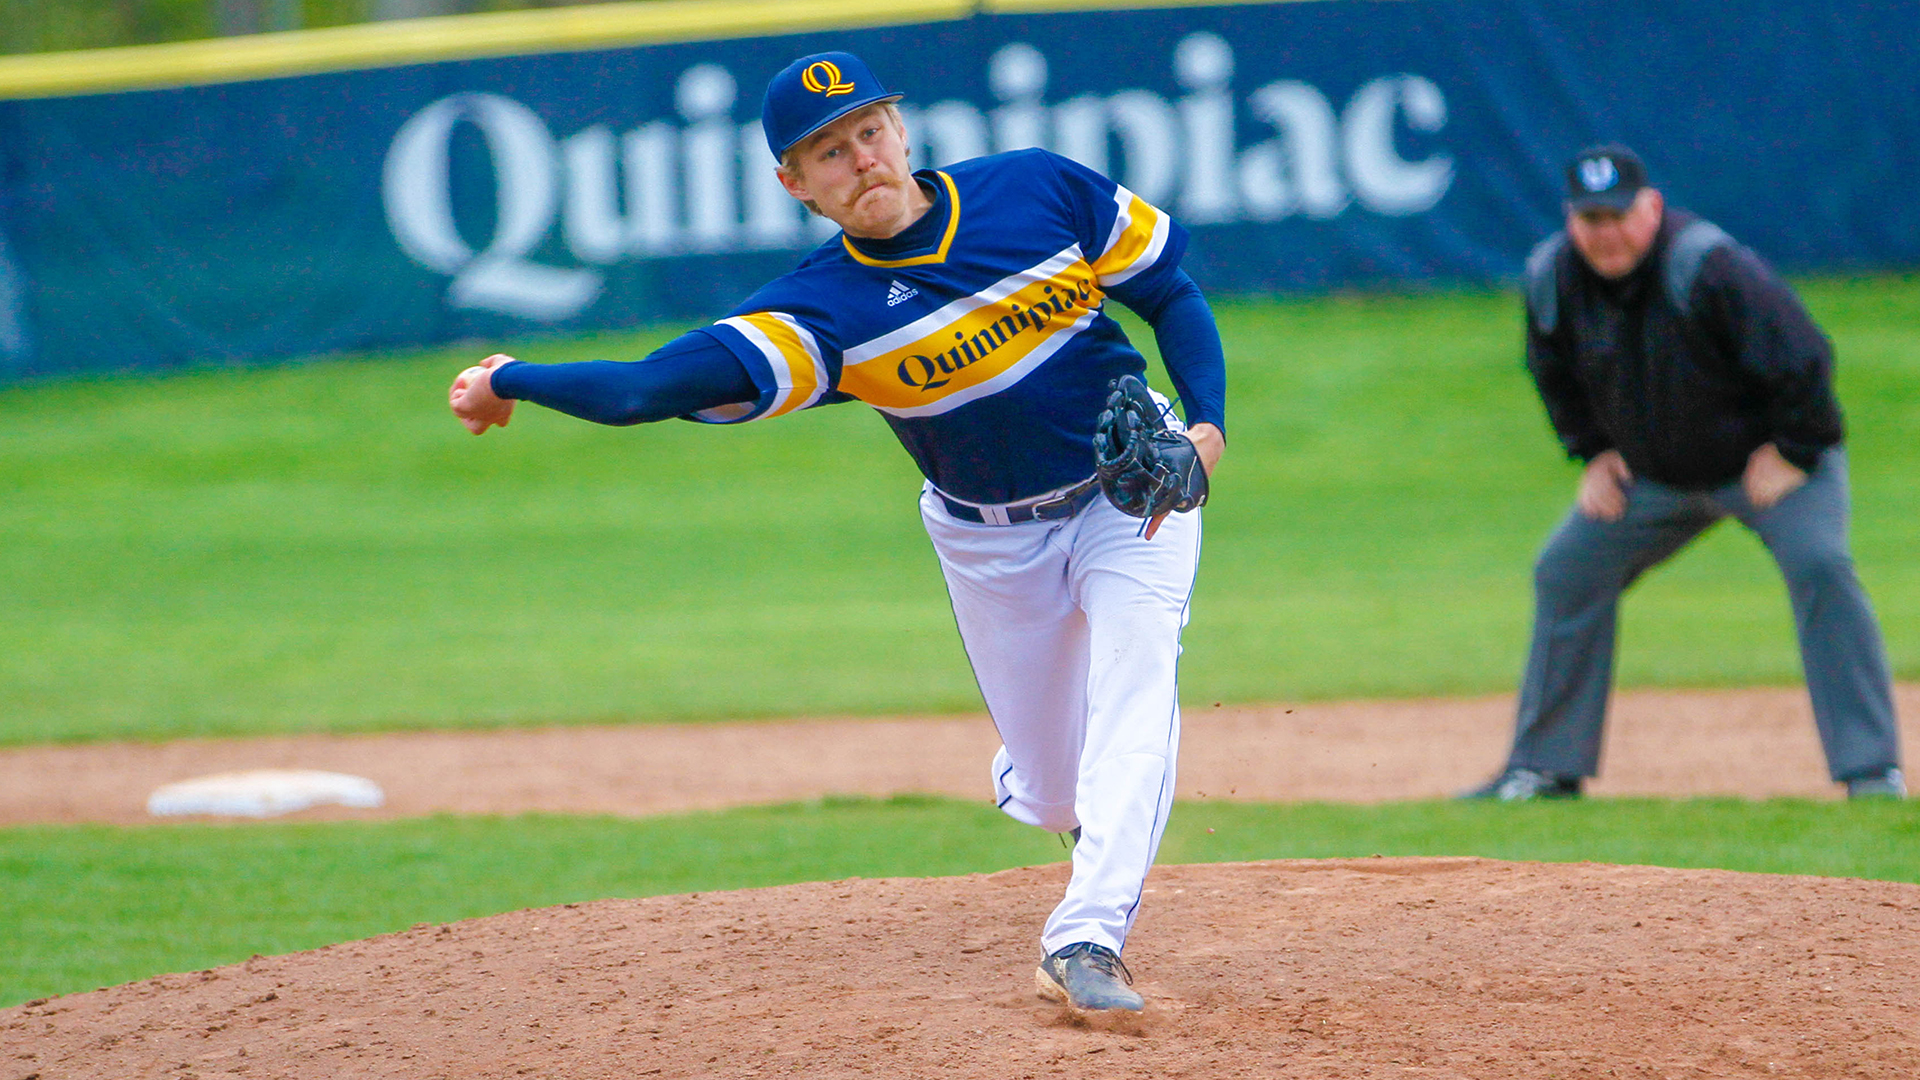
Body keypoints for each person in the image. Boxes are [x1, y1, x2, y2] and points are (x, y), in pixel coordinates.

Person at [447, 51, 1226, 1010]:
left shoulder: (1036, 189)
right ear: (796, 186)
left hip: (1130, 496)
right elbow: (644, 389)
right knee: (1058, 790)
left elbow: (1171, 292)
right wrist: (510, 377)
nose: (861, 159)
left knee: (1137, 685)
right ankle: (1076, 805)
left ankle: (1086, 938)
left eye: (869, 130)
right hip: (988, 541)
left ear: (901, 130)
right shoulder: (818, 315)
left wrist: (1206, 431)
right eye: (828, 152)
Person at [1463, 145, 1903, 802]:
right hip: (1657, 478)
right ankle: (1545, 769)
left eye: (1617, 216)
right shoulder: (1552, 277)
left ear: (1652, 209)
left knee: (1821, 565)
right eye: (1590, 220)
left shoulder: (1707, 266)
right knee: (1567, 569)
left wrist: (1796, 451)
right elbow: (1552, 372)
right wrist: (1592, 451)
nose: (1605, 234)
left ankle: (1871, 771)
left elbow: (1805, 358)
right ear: (1569, 219)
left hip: (1764, 467)